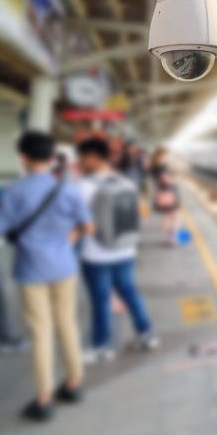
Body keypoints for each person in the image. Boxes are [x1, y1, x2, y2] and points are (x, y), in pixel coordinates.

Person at [0, 131, 92, 422]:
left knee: (41, 333)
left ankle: (44, 398)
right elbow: (87, 227)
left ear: (23, 157)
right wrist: (69, 238)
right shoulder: (68, 189)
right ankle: (74, 383)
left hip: (31, 271)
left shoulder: (13, 192)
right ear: (53, 158)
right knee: (67, 324)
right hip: (64, 267)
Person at [76, 138, 159, 363]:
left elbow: (80, 224)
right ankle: (147, 334)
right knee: (130, 293)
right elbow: (142, 213)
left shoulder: (82, 187)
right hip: (126, 250)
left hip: (96, 255)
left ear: (92, 157)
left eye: (81, 159)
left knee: (101, 300)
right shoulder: (127, 183)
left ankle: (102, 346)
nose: (79, 163)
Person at [150, 147, 181, 246]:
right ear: (160, 156)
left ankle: (168, 239)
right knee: (175, 216)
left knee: (168, 216)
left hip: (162, 193)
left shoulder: (155, 166)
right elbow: (166, 180)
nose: (167, 157)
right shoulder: (161, 166)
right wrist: (173, 179)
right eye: (165, 155)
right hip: (167, 193)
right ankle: (171, 239)